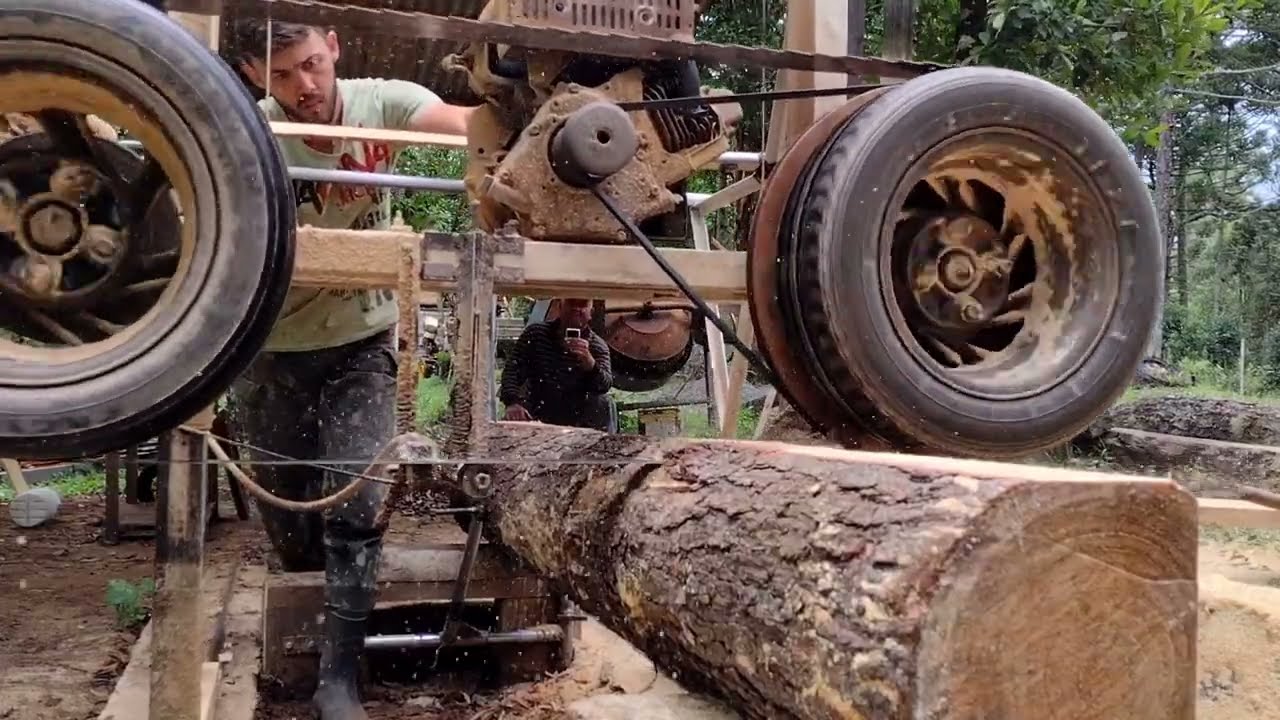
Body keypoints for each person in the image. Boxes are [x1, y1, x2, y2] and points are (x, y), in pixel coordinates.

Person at [225, 19, 476, 720]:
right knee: (290, 520)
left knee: (359, 500)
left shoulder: (384, 104)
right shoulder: (247, 133)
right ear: (254, 77)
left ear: (334, 46)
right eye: (280, 76)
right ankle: (310, 627)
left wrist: (514, 124)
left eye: (310, 64)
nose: (303, 87)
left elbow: (464, 125)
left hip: (363, 341)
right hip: (271, 351)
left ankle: (339, 677)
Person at [499, 298, 615, 430]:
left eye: (582, 305)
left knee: (604, 403)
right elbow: (513, 369)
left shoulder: (597, 346)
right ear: (560, 307)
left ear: (591, 312)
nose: (576, 309)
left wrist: (590, 364)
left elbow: (604, 386)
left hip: (580, 418)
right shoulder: (536, 334)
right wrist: (512, 402)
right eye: (571, 303)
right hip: (537, 410)